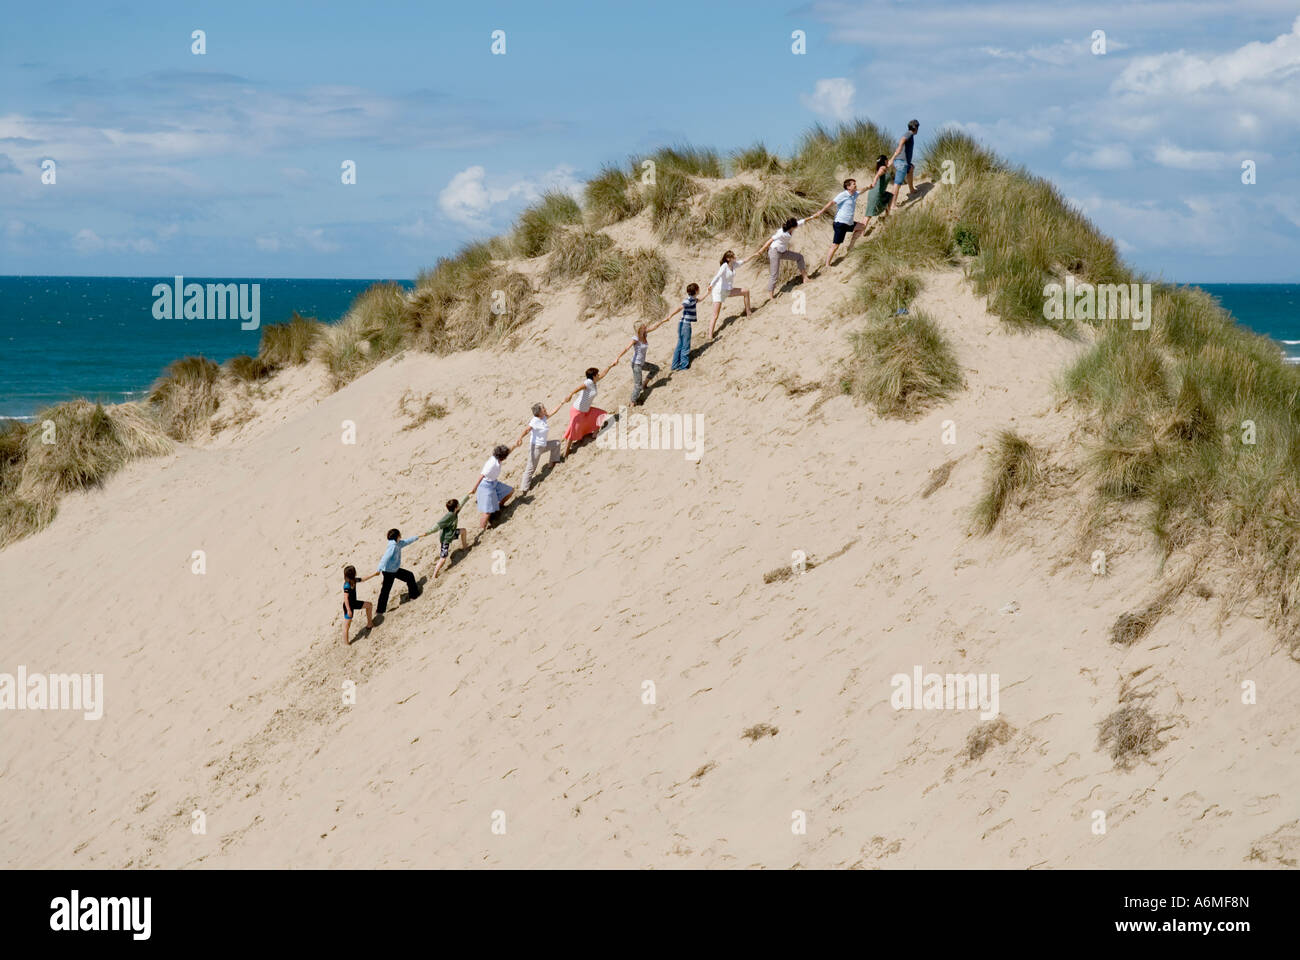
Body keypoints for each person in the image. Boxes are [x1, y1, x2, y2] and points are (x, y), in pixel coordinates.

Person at [757, 216, 818, 299]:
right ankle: (771, 296)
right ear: (792, 227)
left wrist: (814, 216)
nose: (797, 225)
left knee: (799, 257)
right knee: (774, 274)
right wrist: (761, 250)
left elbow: (803, 221)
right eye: (796, 225)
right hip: (774, 252)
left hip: (783, 251)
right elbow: (770, 240)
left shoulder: (791, 228)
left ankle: (805, 278)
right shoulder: (781, 232)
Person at [562, 363, 616, 455]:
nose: (599, 375)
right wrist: (570, 395)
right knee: (572, 432)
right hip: (577, 411)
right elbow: (579, 387)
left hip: (586, 409)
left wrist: (610, 366)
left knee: (601, 414)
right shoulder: (588, 382)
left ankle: (595, 434)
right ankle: (566, 452)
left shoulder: (594, 381)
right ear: (594, 376)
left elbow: (603, 374)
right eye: (597, 374)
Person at [813, 179, 867, 267]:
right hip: (840, 223)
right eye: (853, 184)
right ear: (848, 187)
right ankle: (827, 264)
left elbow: (862, 190)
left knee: (862, 227)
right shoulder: (843, 195)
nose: (855, 185)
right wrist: (820, 212)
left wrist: (870, 186)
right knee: (835, 246)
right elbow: (831, 202)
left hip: (848, 223)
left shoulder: (854, 194)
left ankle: (850, 246)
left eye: (855, 184)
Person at [614, 319, 669, 405]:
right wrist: (617, 358)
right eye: (643, 326)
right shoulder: (635, 338)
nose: (646, 326)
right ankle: (633, 401)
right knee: (637, 385)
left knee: (655, 369)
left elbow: (655, 326)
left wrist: (664, 320)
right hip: (636, 364)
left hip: (642, 363)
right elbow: (626, 348)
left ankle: (645, 385)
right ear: (640, 328)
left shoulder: (645, 334)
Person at [705, 250, 754, 339]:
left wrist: (754, 255)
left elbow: (744, 261)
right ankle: (710, 336)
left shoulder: (734, 264)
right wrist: (711, 285)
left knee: (746, 291)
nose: (735, 257)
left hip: (728, 290)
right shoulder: (724, 266)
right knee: (715, 315)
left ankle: (748, 313)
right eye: (733, 257)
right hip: (719, 291)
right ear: (728, 259)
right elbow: (718, 276)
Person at [516, 402, 564, 493]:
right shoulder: (534, 421)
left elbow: (553, 412)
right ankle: (524, 488)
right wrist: (520, 438)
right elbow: (527, 430)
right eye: (543, 408)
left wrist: (561, 403)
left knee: (556, 444)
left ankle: (552, 463)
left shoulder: (544, 417)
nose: (545, 409)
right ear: (539, 412)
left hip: (543, 445)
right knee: (531, 468)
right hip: (536, 448)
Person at [374, 528, 422, 615]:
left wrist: (417, 537)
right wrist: (378, 569)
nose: (401, 535)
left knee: (409, 576)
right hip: (388, 572)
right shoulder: (392, 546)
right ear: (397, 536)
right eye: (399, 534)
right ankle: (380, 611)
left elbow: (407, 542)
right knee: (385, 590)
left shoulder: (398, 543)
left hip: (394, 569)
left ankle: (413, 596)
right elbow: (385, 558)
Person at [474, 444, 515, 530]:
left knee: (510, 491)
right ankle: (481, 528)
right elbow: (481, 476)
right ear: (502, 457)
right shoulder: (491, 464)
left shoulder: (498, 458)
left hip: (494, 483)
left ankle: (499, 506)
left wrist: (515, 446)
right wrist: (474, 489)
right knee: (487, 511)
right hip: (486, 486)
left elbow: (509, 451)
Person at [431, 498, 469, 579]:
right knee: (443, 559)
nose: (459, 505)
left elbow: (462, 503)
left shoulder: (455, 512)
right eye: (458, 505)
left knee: (463, 531)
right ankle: (434, 574)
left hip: (452, 533)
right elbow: (438, 525)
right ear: (455, 507)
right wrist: (428, 532)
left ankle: (465, 547)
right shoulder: (449, 516)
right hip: (446, 539)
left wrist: (468, 495)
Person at [887, 119, 920, 213]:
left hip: (905, 163)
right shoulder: (909, 134)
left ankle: (911, 189)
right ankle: (892, 204)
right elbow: (902, 141)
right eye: (917, 127)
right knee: (897, 184)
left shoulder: (910, 134)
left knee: (911, 168)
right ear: (915, 128)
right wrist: (892, 158)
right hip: (902, 162)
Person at [668, 283, 702, 370]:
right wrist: (670, 315)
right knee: (685, 346)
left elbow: (700, 299)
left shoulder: (693, 299)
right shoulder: (689, 300)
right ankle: (684, 366)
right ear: (696, 290)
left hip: (682, 323)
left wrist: (708, 292)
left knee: (680, 344)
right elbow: (680, 307)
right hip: (685, 325)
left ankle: (675, 365)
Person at [341, 564, 375, 645]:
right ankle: (346, 643)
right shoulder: (347, 585)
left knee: (369, 605)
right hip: (348, 606)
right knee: (347, 625)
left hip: (354, 603)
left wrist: (374, 574)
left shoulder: (354, 580)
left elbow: (363, 579)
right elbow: (345, 599)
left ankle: (369, 624)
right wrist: (349, 610)